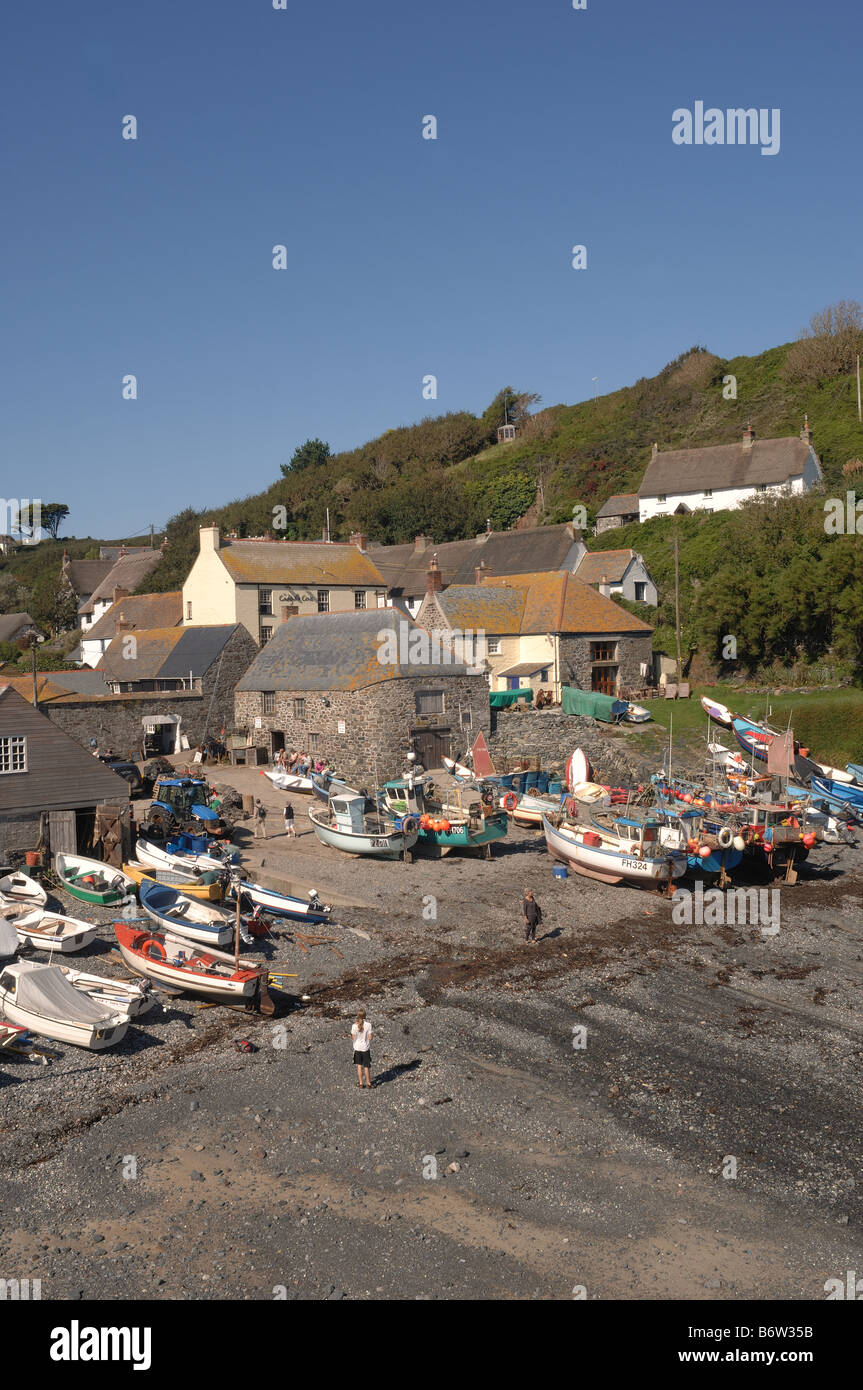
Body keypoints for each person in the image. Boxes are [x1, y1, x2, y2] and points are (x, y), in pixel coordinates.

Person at [351, 1010, 373, 1088]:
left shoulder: (354, 1026)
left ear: (357, 1015)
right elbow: (370, 1038)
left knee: (359, 1066)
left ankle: (360, 1083)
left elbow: (353, 1037)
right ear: (365, 1016)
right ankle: (368, 1083)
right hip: (365, 1048)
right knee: (366, 1066)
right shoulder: (368, 1025)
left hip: (357, 1048)